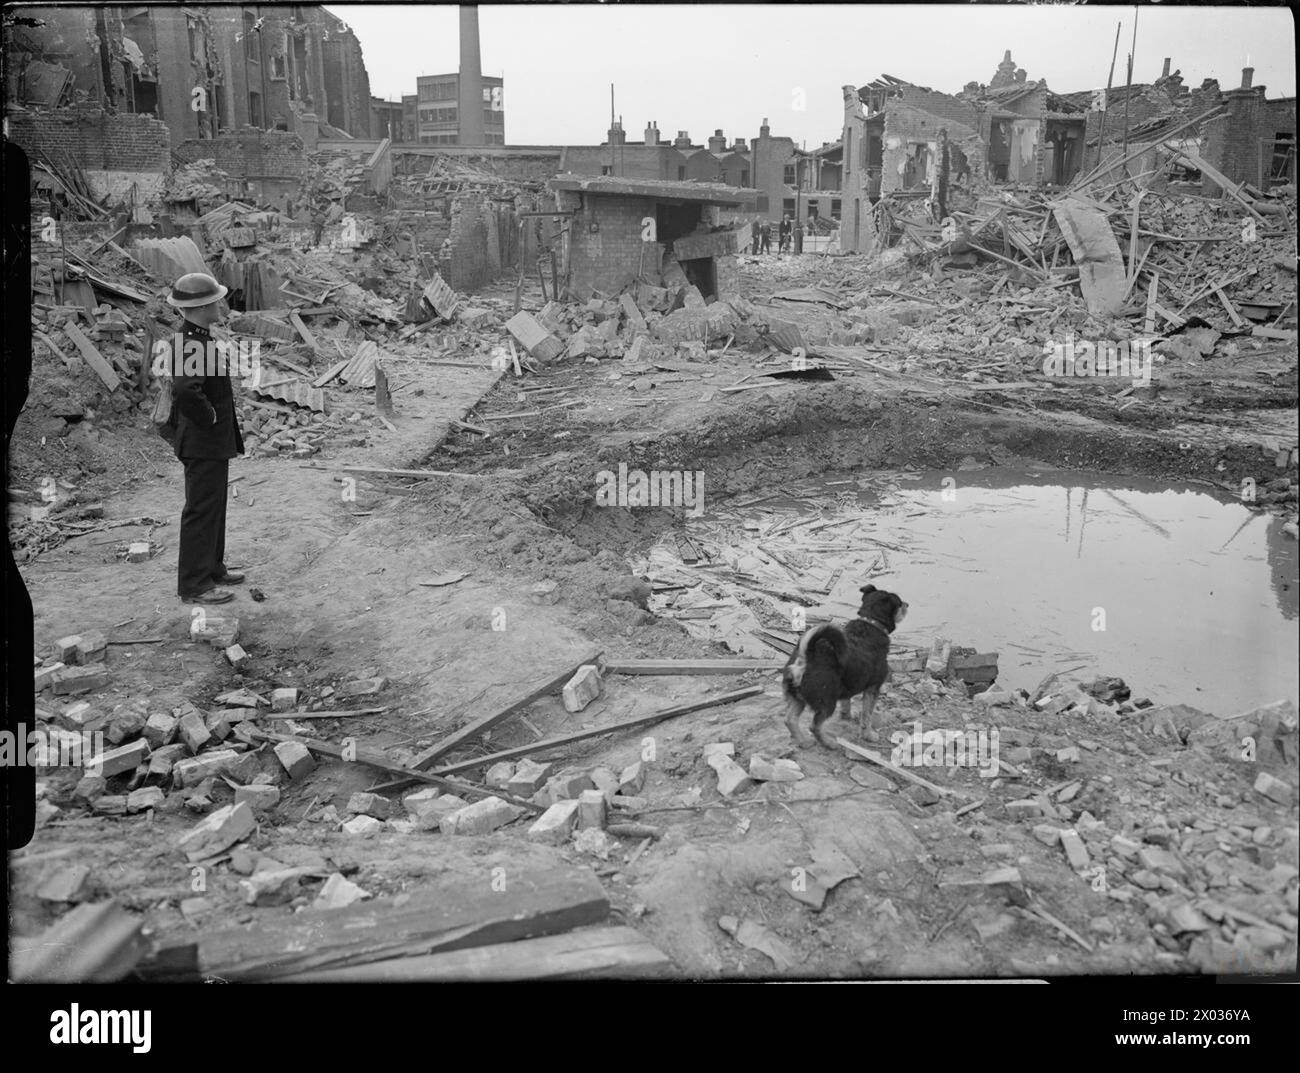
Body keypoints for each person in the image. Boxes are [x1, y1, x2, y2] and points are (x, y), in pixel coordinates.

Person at [165, 272, 246, 604]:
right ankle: (194, 584)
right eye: (215, 300)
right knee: (200, 509)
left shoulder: (198, 338)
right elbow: (185, 389)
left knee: (214, 506)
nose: (220, 304)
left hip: (211, 442)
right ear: (200, 307)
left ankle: (212, 568)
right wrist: (209, 416)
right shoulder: (190, 343)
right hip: (203, 441)